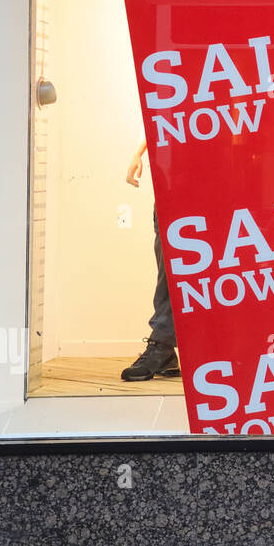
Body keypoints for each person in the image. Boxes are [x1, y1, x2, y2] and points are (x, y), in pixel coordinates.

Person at [121, 136, 181, 382]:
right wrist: (140, 152)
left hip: (205, 180)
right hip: (172, 183)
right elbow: (163, 116)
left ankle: (163, 345)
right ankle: (163, 347)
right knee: (167, 270)